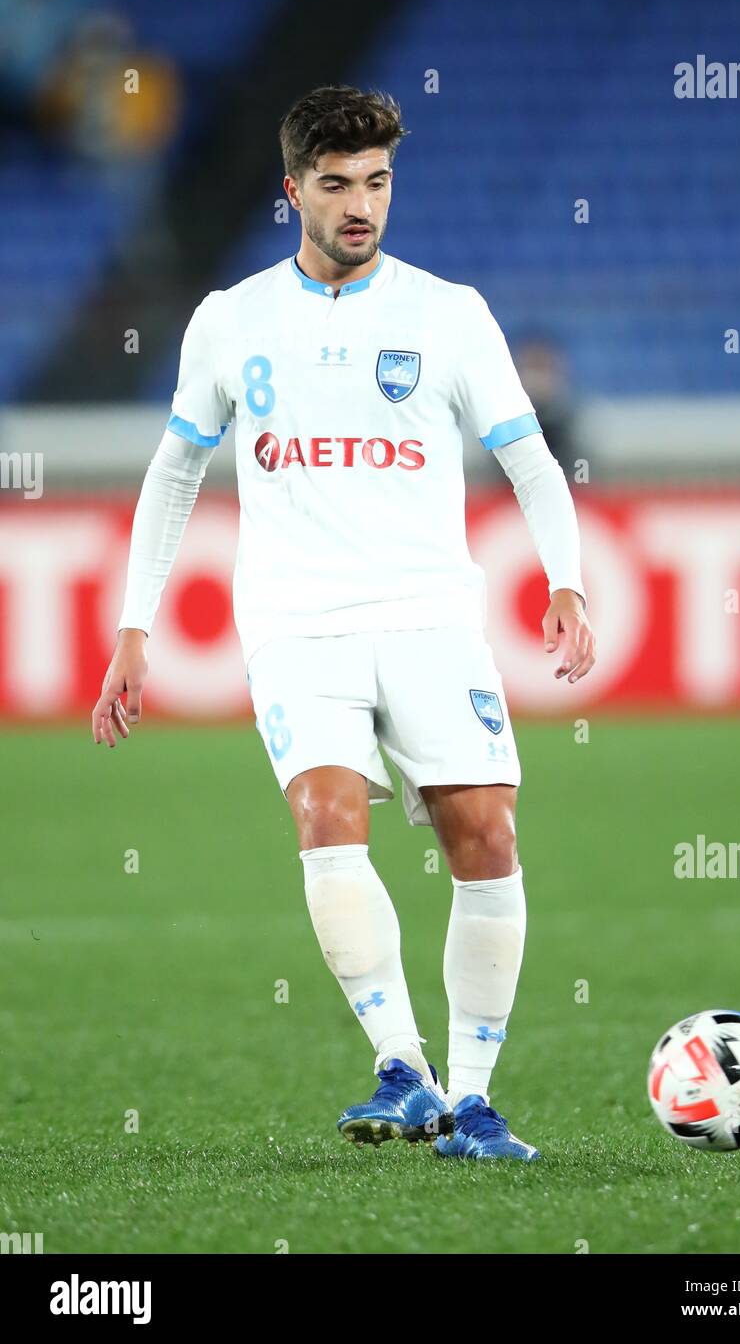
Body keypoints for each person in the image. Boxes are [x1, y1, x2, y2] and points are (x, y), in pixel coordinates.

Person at [91, 85, 596, 1162]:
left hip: (429, 612)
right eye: (336, 184)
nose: (361, 203)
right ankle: (401, 1066)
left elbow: (527, 458)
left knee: (485, 836)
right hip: (294, 619)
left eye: (375, 181)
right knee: (325, 815)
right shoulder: (231, 319)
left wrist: (567, 579)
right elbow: (175, 467)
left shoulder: (448, 311)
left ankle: (472, 1098)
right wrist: (135, 623)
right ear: (293, 193)